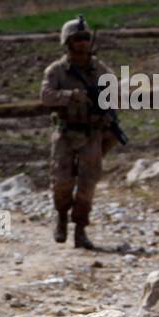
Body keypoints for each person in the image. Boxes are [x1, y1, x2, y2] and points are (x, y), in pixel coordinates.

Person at [39, 14, 117, 250]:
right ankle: (62, 216)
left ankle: (80, 230)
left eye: (85, 38)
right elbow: (45, 96)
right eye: (77, 38)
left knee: (87, 186)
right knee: (61, 182)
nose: (82, 43)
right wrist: (70, 96)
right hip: (65, 133)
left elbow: (115, 97)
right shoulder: (56, 71)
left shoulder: (101, 71)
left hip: (91, 134)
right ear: (67, 42)